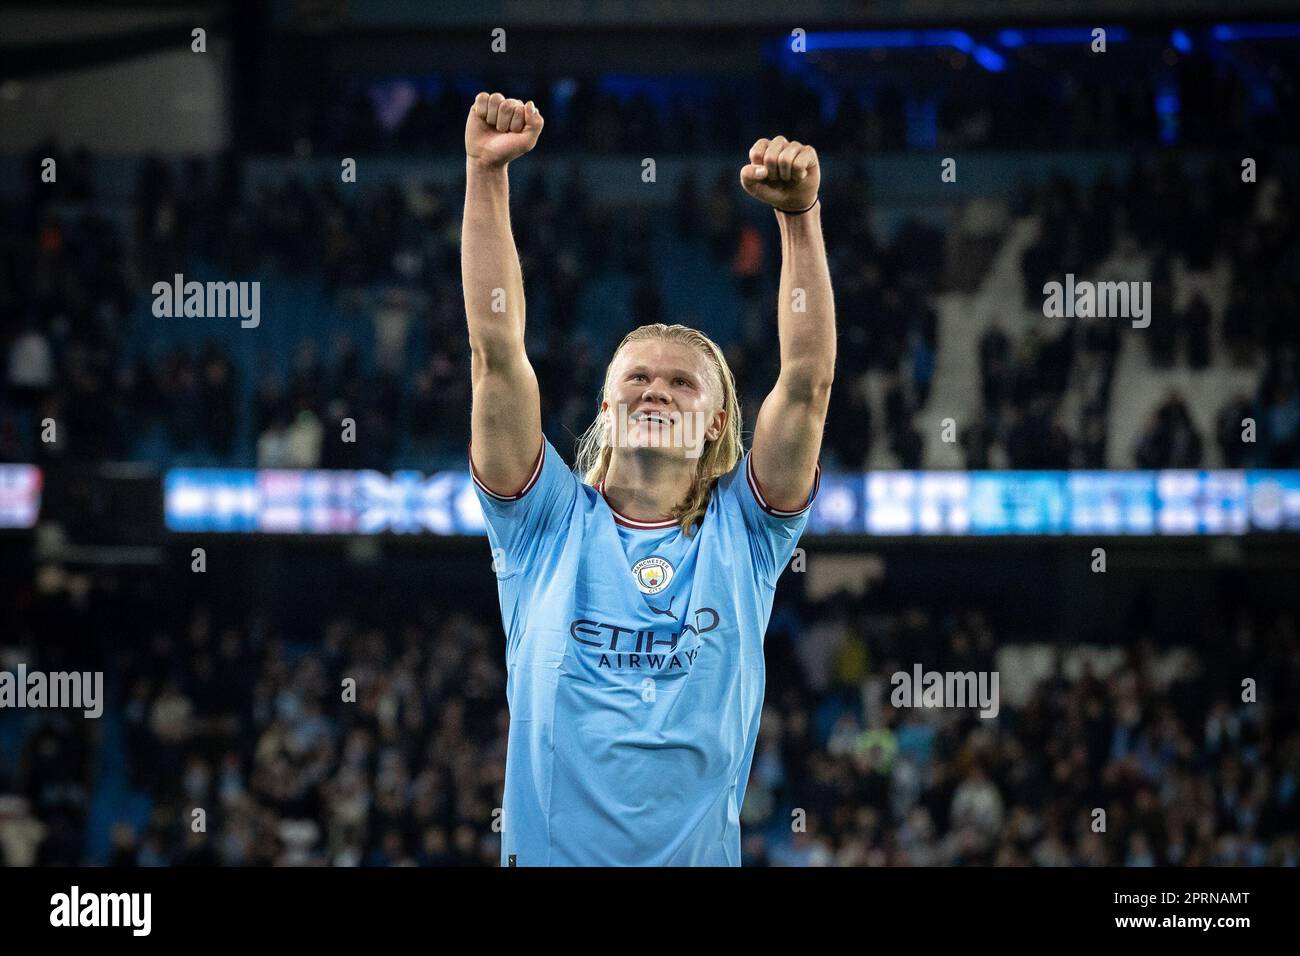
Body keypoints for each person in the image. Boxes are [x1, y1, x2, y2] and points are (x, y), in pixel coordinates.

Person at [461, 92, 835, 865]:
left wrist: (800, 220)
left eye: (681, 383)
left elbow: (805, 383)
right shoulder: (541, 525)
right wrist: (485, 176)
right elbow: (497, 351)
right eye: (636, 378)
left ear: (719, 424)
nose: (655, 390)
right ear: (606, 404)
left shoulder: (749, 534)